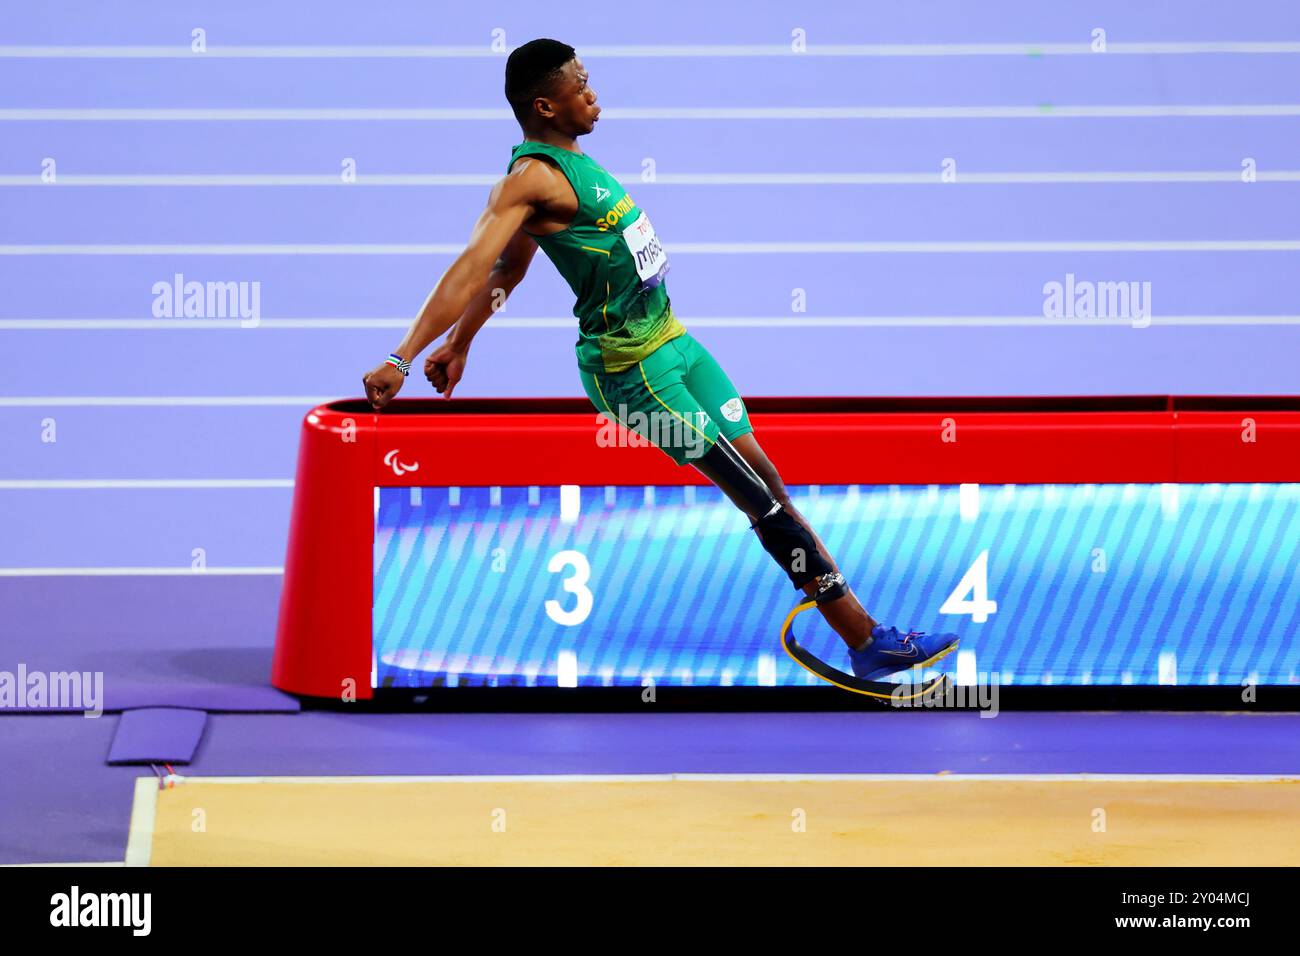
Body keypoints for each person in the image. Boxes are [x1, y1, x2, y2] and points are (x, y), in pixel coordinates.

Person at [362, 38, 959, 683]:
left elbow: (513, 266)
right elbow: (475, 266)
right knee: (754, 496)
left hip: (675, 344)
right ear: (546, 105)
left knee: (768, 481)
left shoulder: (572, 162)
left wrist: (463, 342)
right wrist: (405, 354)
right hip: (630, 377)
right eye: (579, 85)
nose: (593, 92)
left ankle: (864, 633)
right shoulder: (527, 181)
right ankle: (866, 639)